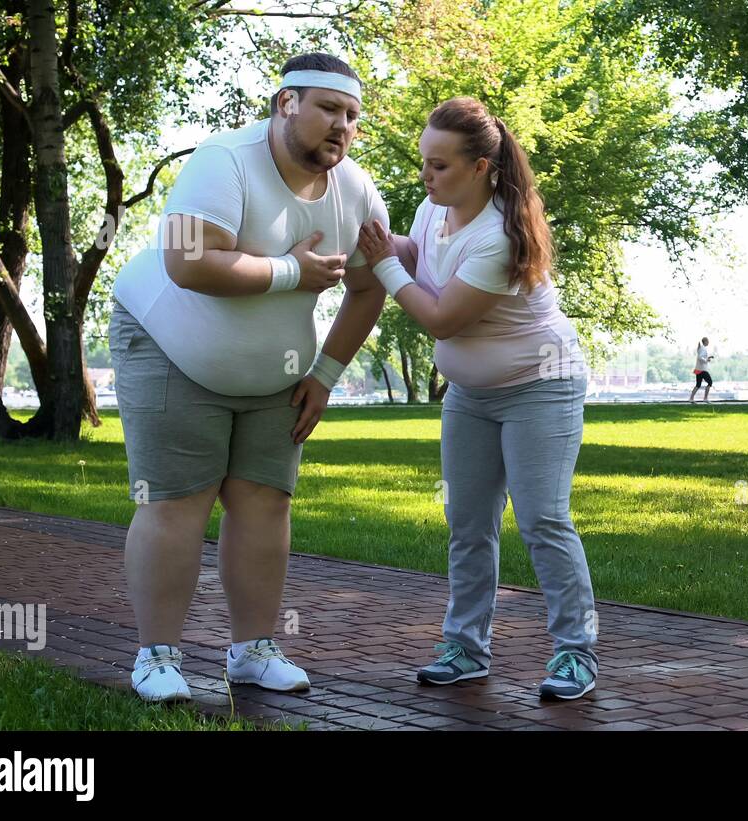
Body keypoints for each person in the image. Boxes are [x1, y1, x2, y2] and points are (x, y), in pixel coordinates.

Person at [109, 53, 391, 701]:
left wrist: (323, 374)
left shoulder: (356, 191)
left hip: (276, 368)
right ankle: (157, 658)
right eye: (328, 108)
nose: (341, 126)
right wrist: (291, 272)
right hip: (168, 339)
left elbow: (368, 287)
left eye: (351, 115)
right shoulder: (222, 159)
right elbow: (186, 261)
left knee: (265, 500)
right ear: (285, 103)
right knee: (178, 498)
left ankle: (253, 650)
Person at [357, 96, 599, 700]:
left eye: (439, 166)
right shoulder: (433, 210)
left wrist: (385, 266)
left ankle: (576, 654)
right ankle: (465, 648)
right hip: (470, 393)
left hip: (541, 388)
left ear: (481, 167)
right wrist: (385, 246)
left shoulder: (498, 237)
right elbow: (420, 257)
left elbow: (440, 317)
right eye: (424, 163)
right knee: (467, 523)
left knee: (543, 518)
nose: (425, 176)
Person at [690, 336, 715, 403]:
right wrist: (707, 360)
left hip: (698, 369)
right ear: (705, 341)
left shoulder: (701, 348)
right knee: (710, 382)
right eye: (708, 341)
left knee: (698, 385)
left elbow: (701, 357)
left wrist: (708, 357)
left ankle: (691, 398)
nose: (708, 343)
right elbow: (700, 358)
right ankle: (705, 398)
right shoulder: (703, 348)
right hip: (702, 370)